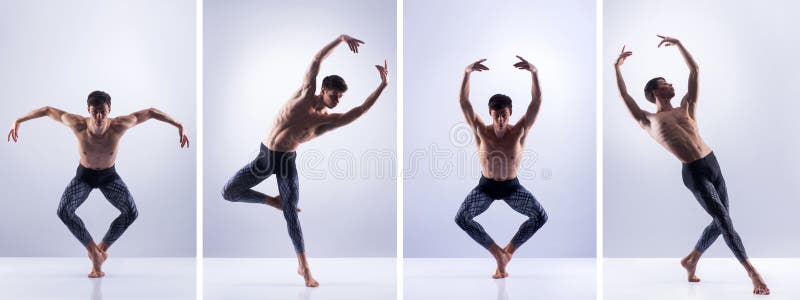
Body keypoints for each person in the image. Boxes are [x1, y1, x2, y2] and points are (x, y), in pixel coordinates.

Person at [221, 34, 389, 287]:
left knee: (292, 214)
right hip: (265, 158)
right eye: (334, 95)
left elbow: (360, 111)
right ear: (323, 90)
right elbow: (317, 59)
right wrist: (341, 39)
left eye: (340, 97)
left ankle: (304, 267)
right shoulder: (304, 93)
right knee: (229, 192)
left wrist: (383, 86)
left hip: (286, 162)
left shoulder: (326, 121)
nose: (337, 100)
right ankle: (272, 201)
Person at [613, 35, 769, 295]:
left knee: (723, 219)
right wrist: (616, 68)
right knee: (723, 220)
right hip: (694, 173)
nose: (671, 83)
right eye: (665, 83)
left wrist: (680, 45)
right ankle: (753, 273)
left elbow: (695, 70)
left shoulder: (687, 107)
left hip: (712, 162)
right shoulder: (649, 120)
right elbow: (625, 95)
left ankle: (691, 259)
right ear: (655, 92)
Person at [7, 90, 190, 278]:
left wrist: (179, 124)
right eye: (95, 112)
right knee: (63, 211)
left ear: (109, 109)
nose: (99, 116)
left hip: (109, 177)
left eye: (103, 111)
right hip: (84, 176)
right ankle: (94, 252)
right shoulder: (77, 124)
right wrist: (18, 121)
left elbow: (150, 112)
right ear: (88, 110)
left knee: (131, 212)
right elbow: (47, 110)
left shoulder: (120, 125)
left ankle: (100, 250)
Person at [454, 56, 548, 279]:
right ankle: (498, 254)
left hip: (511, 187)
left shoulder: (519, 130)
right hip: (486, 187)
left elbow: (536, 102)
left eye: (503, 115)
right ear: (490, 114)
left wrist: (534, 72)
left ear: (510, 114)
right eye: (496, 115)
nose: (499, 120)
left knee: (540, 216)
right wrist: (466, 73)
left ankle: (508, 253)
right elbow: (463, 102)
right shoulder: (481, 130)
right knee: (462, 218)